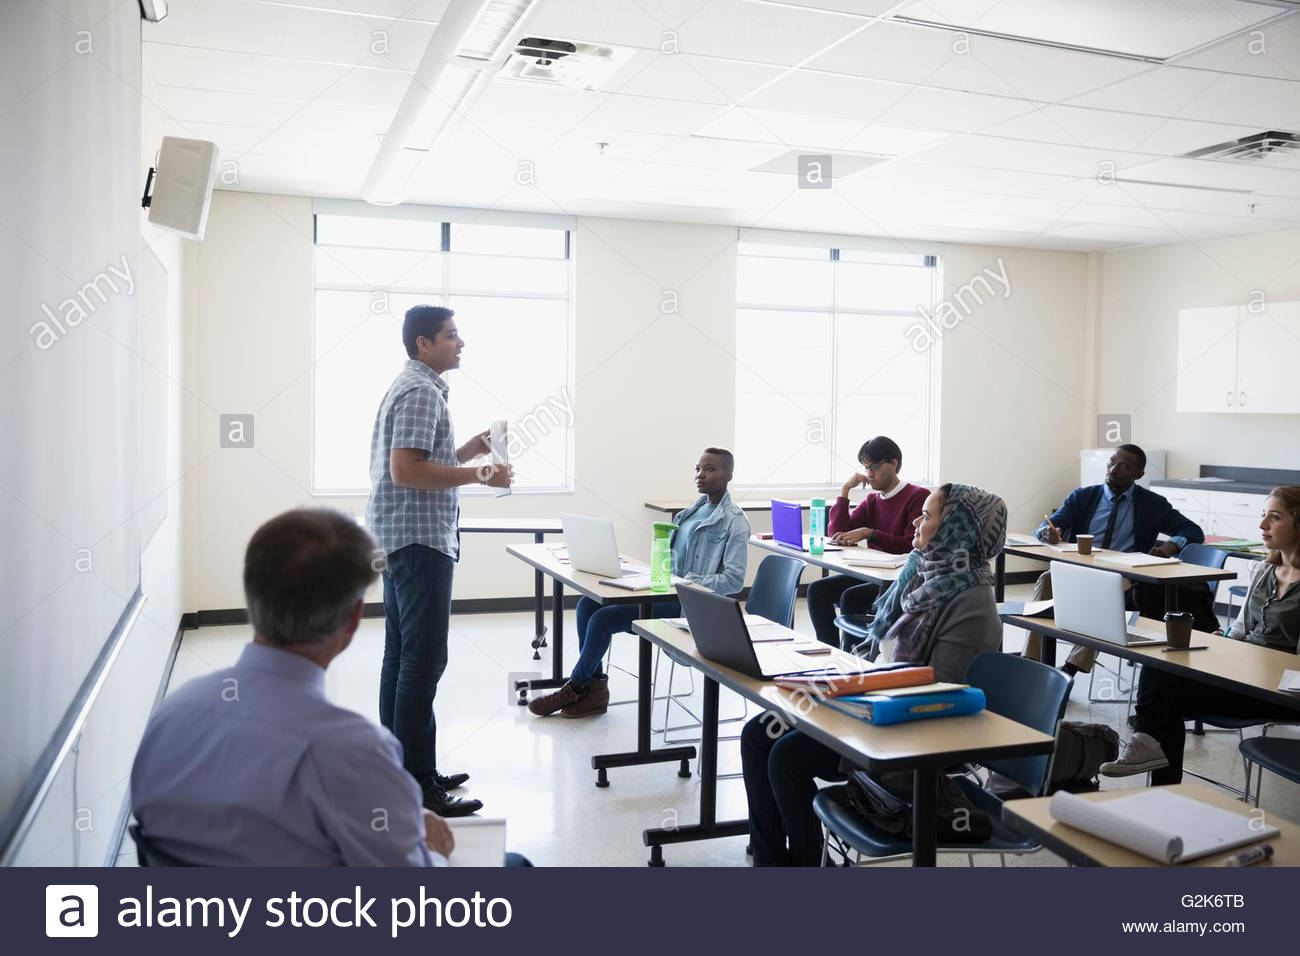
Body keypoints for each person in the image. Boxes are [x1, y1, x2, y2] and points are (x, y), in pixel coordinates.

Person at [131, 509, 530, 866]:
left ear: (252, 595)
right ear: (354, 621)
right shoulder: (355, 752)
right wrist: (430, 850)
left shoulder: (170, 716)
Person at [740, 483, 1007, 866]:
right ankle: (770, 859)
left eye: (928, 516)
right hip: (869, 703)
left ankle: (805, 863)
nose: (917, 519)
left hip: (905, 731)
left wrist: (851, 696)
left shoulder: (971, 604)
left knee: (787, 756)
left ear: (956, 530)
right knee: (757, 734)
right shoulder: (920, 573)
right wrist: (839, 678)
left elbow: (939, 696)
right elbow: (876, 652)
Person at [365, 305, 512, 816]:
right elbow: (408, 471)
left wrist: (470, 447)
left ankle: (404, 770)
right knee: (423, 661)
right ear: (424, 344)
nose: (461, 343)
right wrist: (482, 476)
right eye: (451, 335)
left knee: (401, 656)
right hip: (418, 540)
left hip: (399, 537)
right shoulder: (422, 391)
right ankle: (416, 784)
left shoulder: (413, 387)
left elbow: (422, 459)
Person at [528, 448, 751, 718]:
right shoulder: (690, 513)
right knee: (588, 605)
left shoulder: (735, 521)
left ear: (728, 475)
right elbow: (672, 562)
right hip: (664, 592)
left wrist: (685, 582)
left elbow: (734, 580)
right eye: (697, 469)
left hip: (688, 607)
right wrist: (647, 572)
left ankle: (575, 688)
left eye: (710, 469)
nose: (700, 475)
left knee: (603, 620)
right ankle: (594, 693)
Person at [1101, 486, 1300, 782]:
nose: (1262, 525)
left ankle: (1150, 750)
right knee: (1167, 662)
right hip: (1243, 673)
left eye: (1275, 517)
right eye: (1263, 515)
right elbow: (1242, 630)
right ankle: (1154, 761)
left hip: (1279, 690)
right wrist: (1223, 642)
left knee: (1164, 701)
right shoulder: (1262, 570)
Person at [1023, 443, 1206, 675]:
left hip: (1124, 576)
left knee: (1104, 591)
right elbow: (1045, 526)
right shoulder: (1083, 497)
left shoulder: (1152, 504)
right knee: (1047, 580)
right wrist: (1047, 532)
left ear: (1138, 474)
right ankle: (1033, 662)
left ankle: (1071, 668)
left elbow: (1193, 531)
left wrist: (1171, 544)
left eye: (1123, 466)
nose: (1113, 469)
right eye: (1111, 462)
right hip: (1079, 568)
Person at [806, 436, 928, 646]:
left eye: (874, 467)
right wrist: (845, 491)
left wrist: (871, 534)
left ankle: (853, 657)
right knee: (816, 590)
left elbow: (911, 544)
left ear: (893, 464)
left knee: (850, 597)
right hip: (873, 574)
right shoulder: (873, 500)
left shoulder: (918, 496)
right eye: (865, 468)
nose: (869, 474)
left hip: (899, 580)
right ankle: (829, 651)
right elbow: (837, 532)